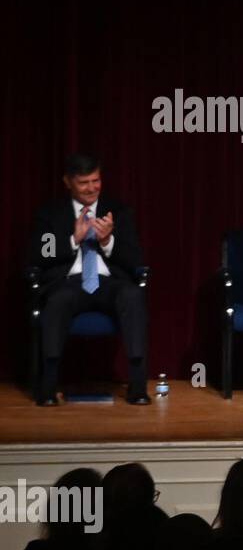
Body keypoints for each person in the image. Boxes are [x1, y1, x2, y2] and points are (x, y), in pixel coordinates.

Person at [28, 153, 150, 405]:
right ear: (68, 182)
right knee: (58, 301)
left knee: (133, 295)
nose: (91, 188)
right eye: (84, 182)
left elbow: (135, 259)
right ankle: (48, 388)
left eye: (96, 180)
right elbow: (39, 256)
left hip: (109, 284)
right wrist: (73, 239)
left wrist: (108, 241)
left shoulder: (119, 211)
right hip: (68, 284)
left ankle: (138, 388)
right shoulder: (50, 214)